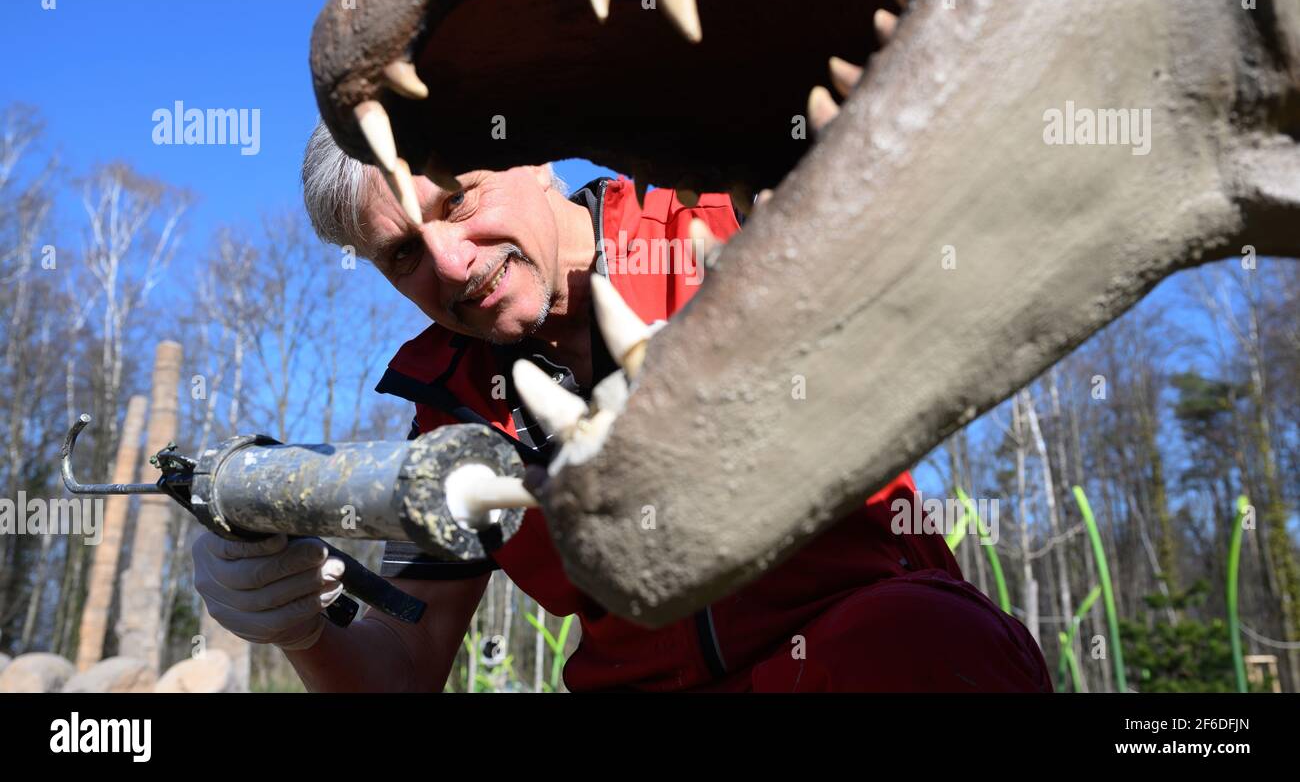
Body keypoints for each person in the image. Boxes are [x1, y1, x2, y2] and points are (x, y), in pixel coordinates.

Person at [191, 121, 1052, 692]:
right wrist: (303, 619)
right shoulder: (448, 414)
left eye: (460, 199)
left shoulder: (727, 217)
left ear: (535, 154)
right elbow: (407, 663)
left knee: (910, 646)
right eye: (404, 254)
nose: (450, 265)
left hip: (876, 650)